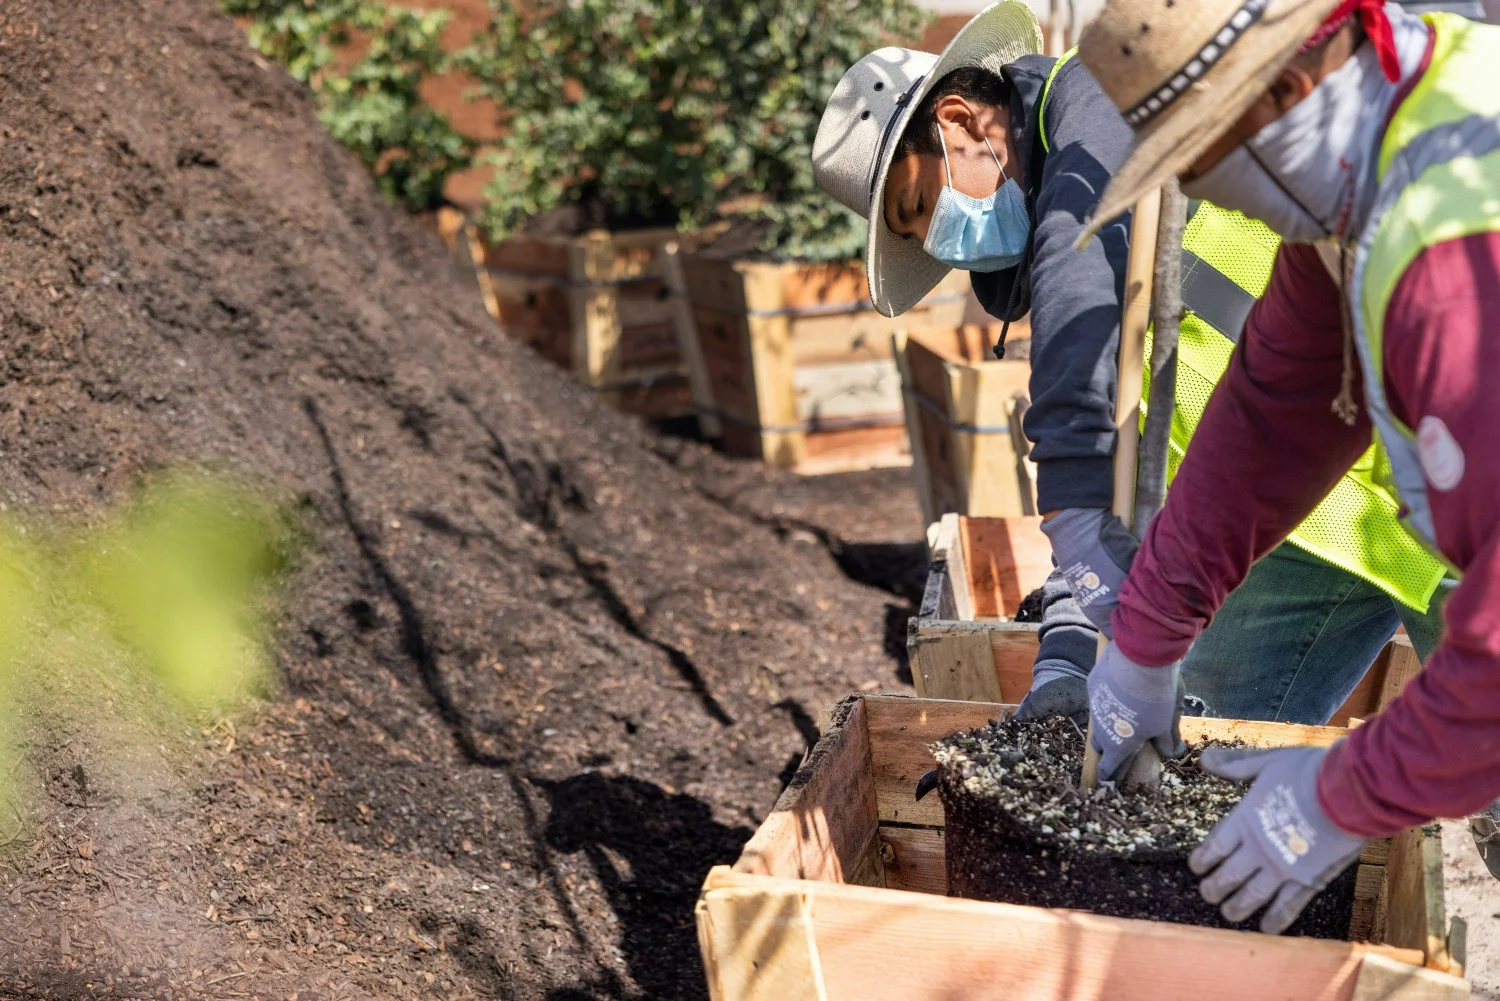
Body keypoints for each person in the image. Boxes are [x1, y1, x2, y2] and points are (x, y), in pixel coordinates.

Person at [809, 2, 1447, 729]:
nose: (938, 240)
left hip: (1442, 481)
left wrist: (1070, 502)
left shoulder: (1097, 108)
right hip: (1309, 527)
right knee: (1201, 750)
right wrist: (1065, 648)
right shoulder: (1071, 227)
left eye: (921, 204)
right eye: (918, 235)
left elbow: (1075, 255)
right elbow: (1126, 453)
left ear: (960, 123)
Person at [1072, 0, 1500, 933]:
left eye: (1197, 163)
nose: (1204, 194)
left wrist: (1349, 791)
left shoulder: (1461, 249)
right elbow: (1281, 405)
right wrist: (1146, 641)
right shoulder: (1368, 166)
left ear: (1288, 90)